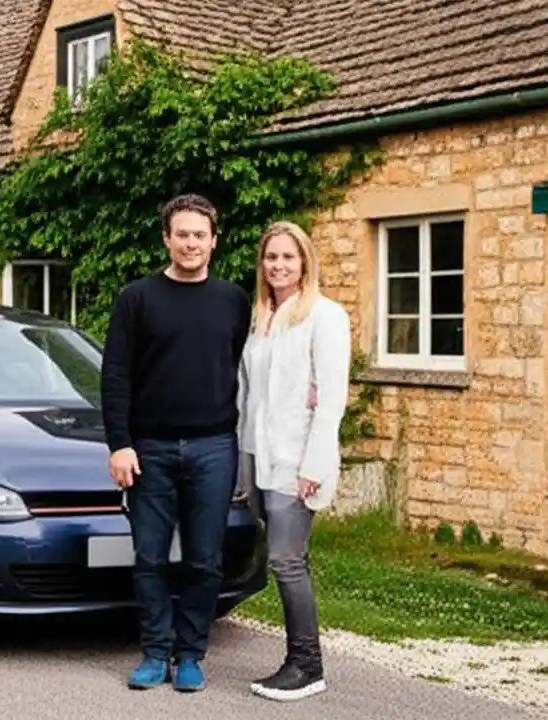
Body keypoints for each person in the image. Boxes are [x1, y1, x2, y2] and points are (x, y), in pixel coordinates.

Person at [101, 193, 251, 692]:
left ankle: (190, 655)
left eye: (200, 235)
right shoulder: (136, 298)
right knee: (149, 557)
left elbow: (242, 368)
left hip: (213, 447)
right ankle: (153, 652)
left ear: (214, 241)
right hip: (150, 450)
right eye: (182, 234)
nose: (191, 243)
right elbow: (115, 375)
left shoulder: (233, 300)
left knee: (205, 560)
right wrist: (119, 443)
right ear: (167, 238)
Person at [237, 221, 350, 702]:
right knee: (279, 557)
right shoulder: (262, 318)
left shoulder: (325, 317)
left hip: (298, 460)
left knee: (287, 561)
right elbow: (249, 393)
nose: (278, 265)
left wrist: (315, 463)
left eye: (288, 257)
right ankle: (293, 660)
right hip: (258, 457)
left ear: (305, 262)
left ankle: (308, 665)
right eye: (271, 258)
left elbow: (330, 399)